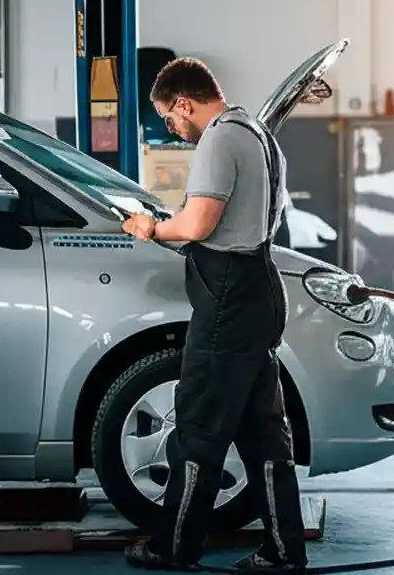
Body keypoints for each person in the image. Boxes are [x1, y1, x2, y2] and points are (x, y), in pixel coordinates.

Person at [120, 57, 306, 573]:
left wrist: (152, 228)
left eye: (169, 117)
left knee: (199, 426)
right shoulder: (259, 133)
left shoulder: (219, 138)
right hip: (259, 287)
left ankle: (173, 547)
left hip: (227, 298)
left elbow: (200, 223)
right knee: (265, 434)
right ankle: (285, 553)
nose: (172, 129)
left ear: (183, 101)